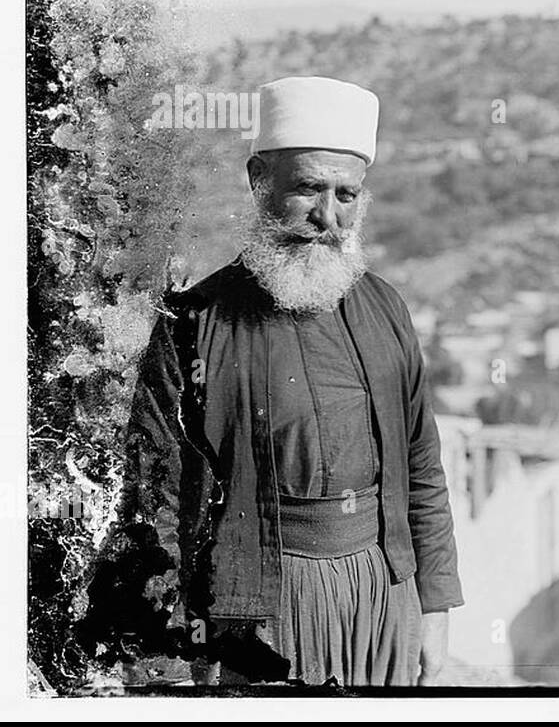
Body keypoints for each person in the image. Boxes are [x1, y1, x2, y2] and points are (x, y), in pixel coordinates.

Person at [124, 75, 462, 686]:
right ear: (258, 180)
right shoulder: (194, 324)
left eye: (346, 194)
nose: (326, 216)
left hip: (386, 592)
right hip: (258, 607)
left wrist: (433, 607)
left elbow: (422, 467)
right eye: (307, 188)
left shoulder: (386, 308)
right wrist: (170, 640)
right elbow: (158, 499)